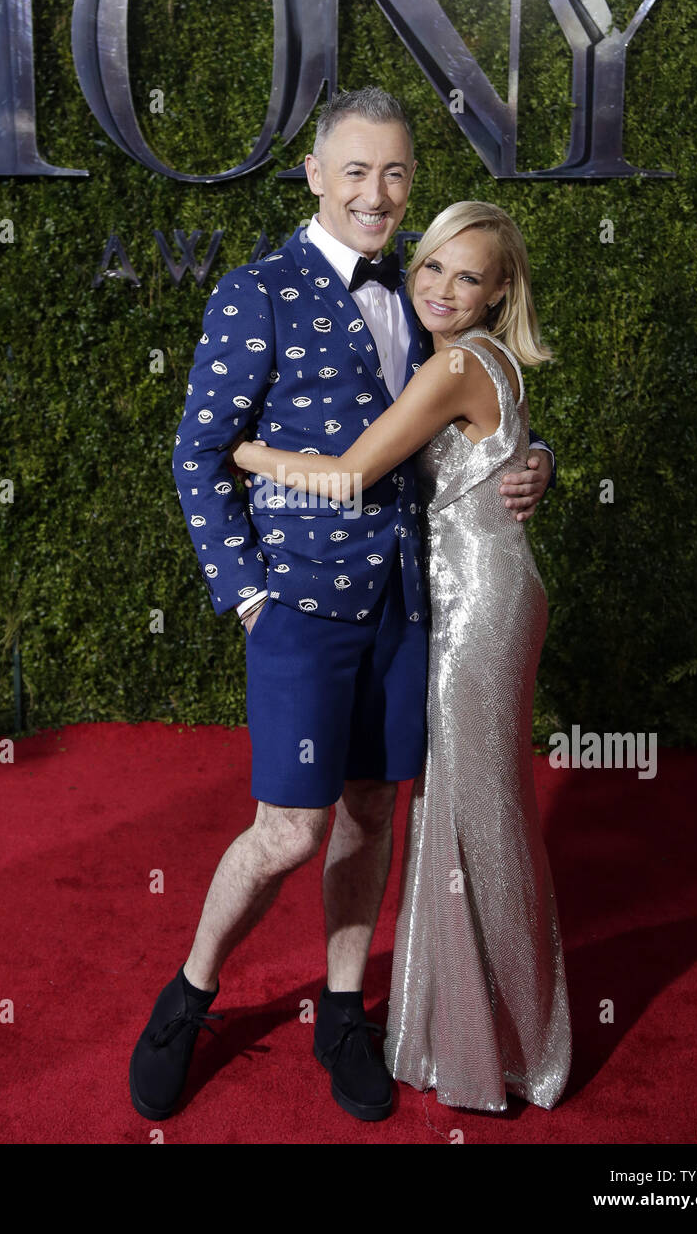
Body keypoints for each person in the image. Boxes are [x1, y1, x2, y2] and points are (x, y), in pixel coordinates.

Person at [129, 88, 554, 1125]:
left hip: (413, 604)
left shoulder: (425, 293)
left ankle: (341, 1010)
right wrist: (247, 600)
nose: (377, 193)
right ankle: (188, 994)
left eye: (397, 172)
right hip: (299, 613)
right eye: (356, 170)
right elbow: (197, 456)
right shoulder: (256, 291)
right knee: (287, 829)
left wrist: (531, 456)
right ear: (314, 174)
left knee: (371, 812)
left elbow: (470, 410)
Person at [231, 200, 571, 1111]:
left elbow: (349, 473)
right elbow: (496, 449)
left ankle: (500, 1046)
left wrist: (250, 451)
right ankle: (486, 1033)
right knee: (467, 811)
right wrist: (537, 457)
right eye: (432, 267)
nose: (442, 288)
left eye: (469, 277)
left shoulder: (457, 359)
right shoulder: (459, 357)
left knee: (474, 815)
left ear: (501, 292)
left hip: (471, 611)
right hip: (479, 595)